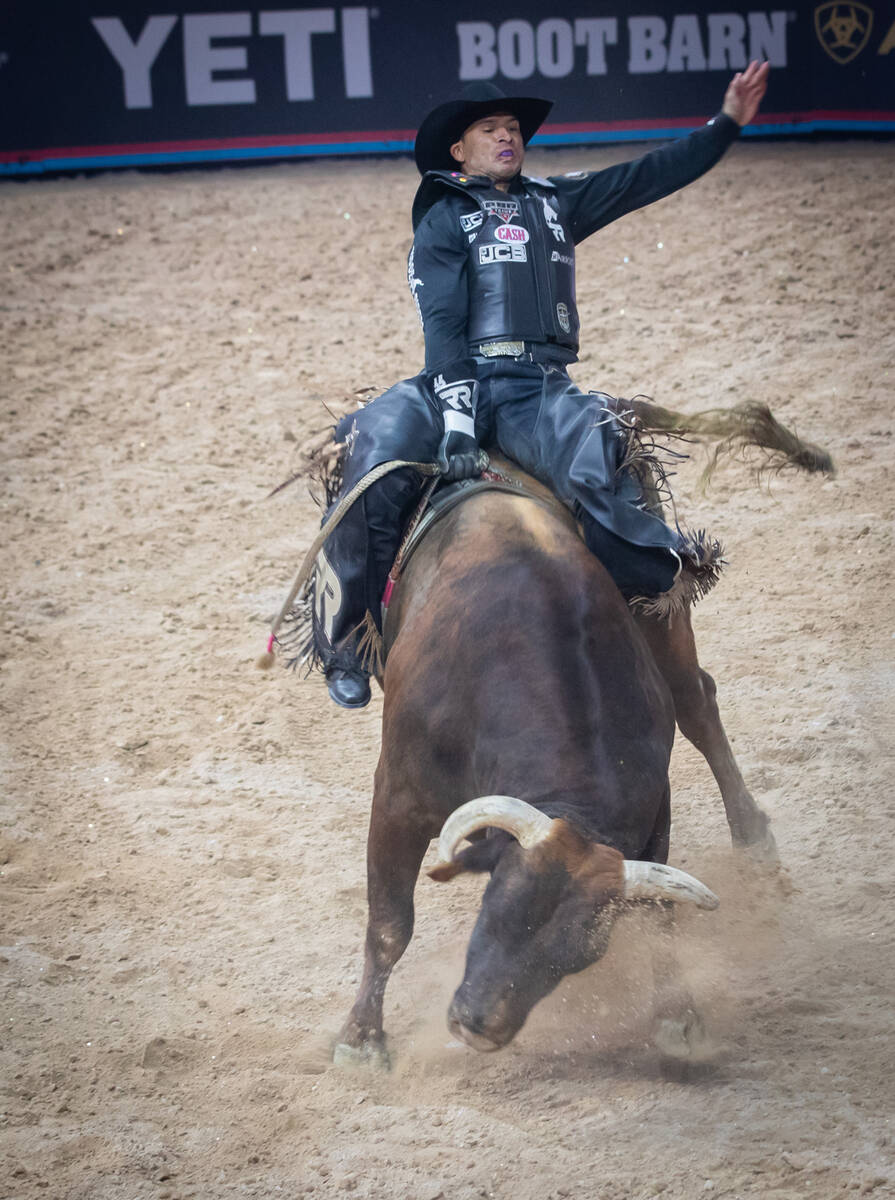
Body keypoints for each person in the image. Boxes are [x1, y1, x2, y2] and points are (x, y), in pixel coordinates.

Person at [314, 62, 770, 709]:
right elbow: (442, 328)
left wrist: (725, 125)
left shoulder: (554, 203)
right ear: (457, 149)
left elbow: (643, 178)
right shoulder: (443, 217)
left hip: (538, 387)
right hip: (455, 378)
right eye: (491, 129)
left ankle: (644, 583)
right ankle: (346, 645)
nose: (507, 137)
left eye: (513, 129)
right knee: (367, 448)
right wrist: (458, 425)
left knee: (598, 442)